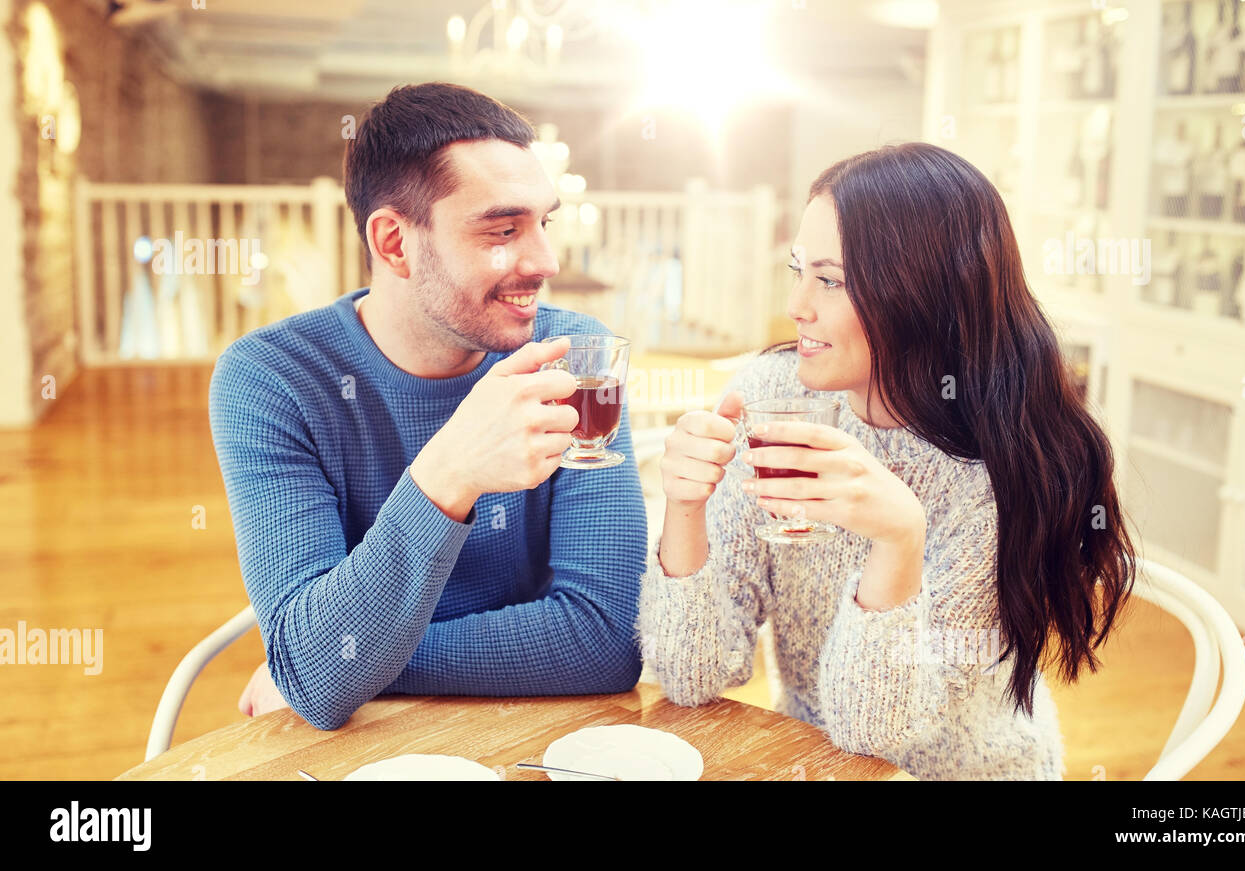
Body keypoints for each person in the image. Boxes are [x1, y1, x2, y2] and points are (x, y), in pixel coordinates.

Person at [636, 143, 1136, 780]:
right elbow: (688, 674)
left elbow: (873, 731)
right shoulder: (776, 398)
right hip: (815, 767)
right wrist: (685, 507)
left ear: (922, 295)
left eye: (831, 280)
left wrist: (899, 539)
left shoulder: (997, 473)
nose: (796, 305)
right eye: (797, 270)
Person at [211, 83, 647, 730]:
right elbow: (317, 668)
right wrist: (451, 470)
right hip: (363, 752)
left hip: (537, 741)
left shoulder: (573, 357)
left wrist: (352, 662)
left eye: (542, 222)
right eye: (502, 229)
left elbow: (607, 638)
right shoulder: (273, 379)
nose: (545, 261)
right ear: (393, 244)